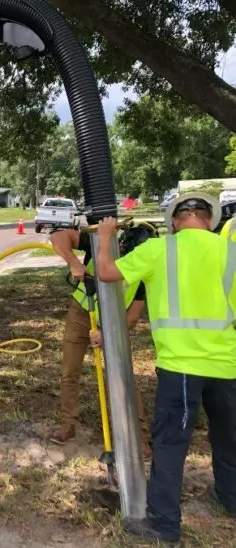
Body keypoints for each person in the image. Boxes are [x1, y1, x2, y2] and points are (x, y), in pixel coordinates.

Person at [96, 192, 236, 544]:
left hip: (181, 366)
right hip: (227, 364)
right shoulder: (231, 253)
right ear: (210, 220)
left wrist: (105, 238)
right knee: (229, 438)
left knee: (171, 444)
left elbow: (107, 272)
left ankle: (164, 524)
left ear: (175, 220)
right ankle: (231, 500)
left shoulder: (159, 250)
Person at [49, 225, 153, 457]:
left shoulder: (147, 269)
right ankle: (68, 423)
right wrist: (74, 263)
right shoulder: (101, 244)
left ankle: (138, 435)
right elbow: (58, 236)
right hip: (81, 311)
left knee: (123, 374)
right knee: (69, 371)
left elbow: (133, 317)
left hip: (114, 320)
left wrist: (106, 334)